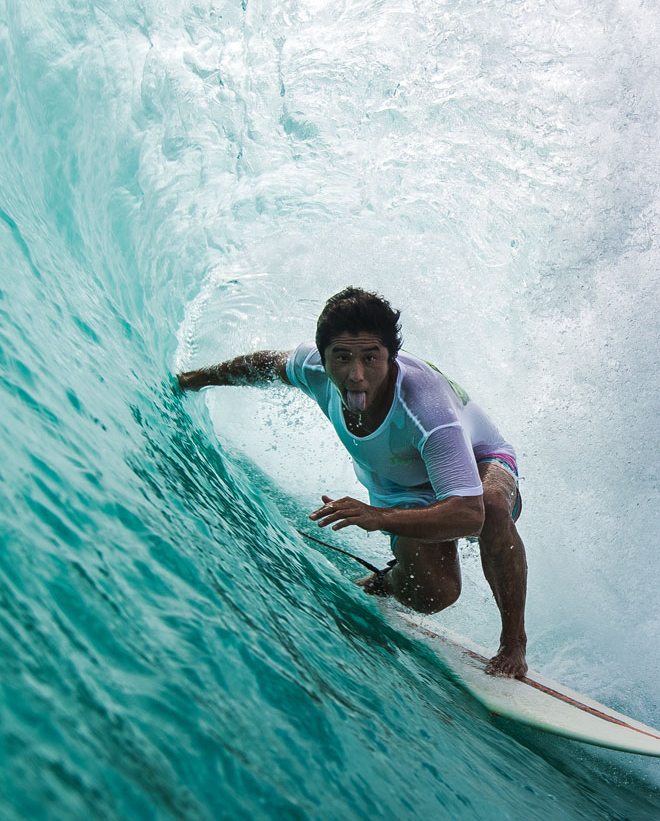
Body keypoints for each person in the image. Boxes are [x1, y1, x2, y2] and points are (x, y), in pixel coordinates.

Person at [175, 287, 529, 678]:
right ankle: (389, 580)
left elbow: (469, 513)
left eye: (371, 358)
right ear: (322, 356)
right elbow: (262, 365)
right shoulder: (313, 370)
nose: (356, 375)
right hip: (403, 485)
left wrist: (377, 517)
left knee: (492, 506)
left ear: (390, 357)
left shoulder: (425, 410)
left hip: (480, 461)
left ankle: (513, 642)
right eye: (341, 358)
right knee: (434, 595)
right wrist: (194, 379)